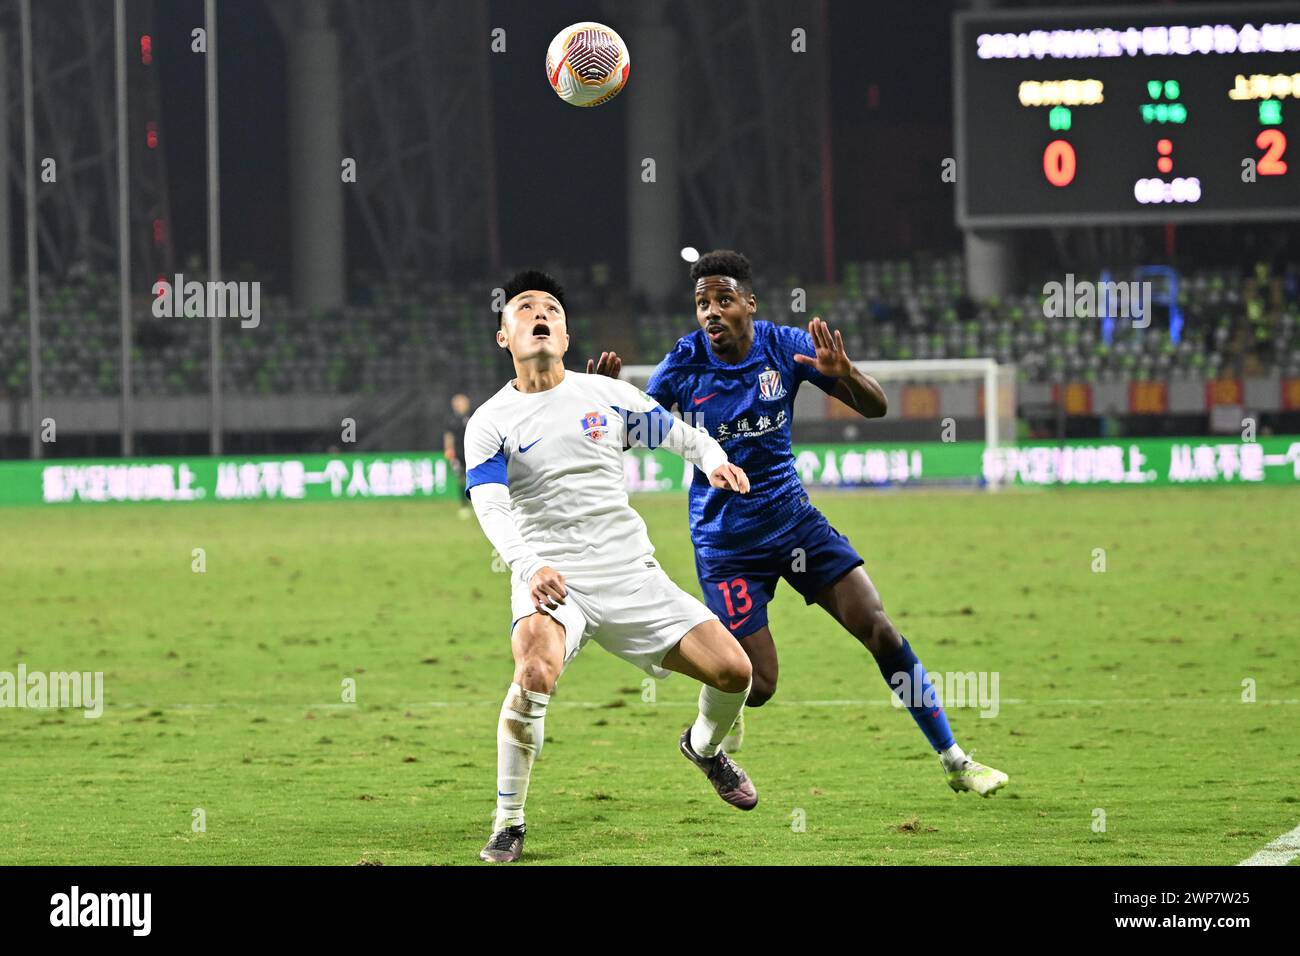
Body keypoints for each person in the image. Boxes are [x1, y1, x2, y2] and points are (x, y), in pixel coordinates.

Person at [593, 250, 1008, 796]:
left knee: (879, 627)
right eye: (702, 303)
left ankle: (955, 760)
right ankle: (710, 723)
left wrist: (848, 374)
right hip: (727, 544)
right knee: (759, 684)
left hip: (795, 524)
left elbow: (876, 407)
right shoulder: (684, 362)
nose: (711, 312)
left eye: (723, 300)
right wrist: (607, 403)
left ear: (749, 303)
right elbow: (630, 436)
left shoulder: (785, 347)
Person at [464, 270, 760, 864]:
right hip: (552, 578)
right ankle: (509, 822)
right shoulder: (489, 422)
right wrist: (528, 565)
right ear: (504, 336)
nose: (538, 313)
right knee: (533, 674)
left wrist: (717, 461)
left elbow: (683, 437)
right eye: (524, 308)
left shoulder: (608, 398)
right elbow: (491, 506)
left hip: (631, 576)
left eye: (550, 306)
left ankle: (703, 748)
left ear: (566, 334)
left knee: (734, 673)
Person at [443, 393, 473, 513]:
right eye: (457, 403)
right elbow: (448, 437)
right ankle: (464, 505)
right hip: (459, 454)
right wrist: (449, 452)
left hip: (473, 452)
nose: (460, 405)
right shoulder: (452, 420)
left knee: (475, 478)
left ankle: (477, 504)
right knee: (461, 479)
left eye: (462, 402)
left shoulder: (474, 416)